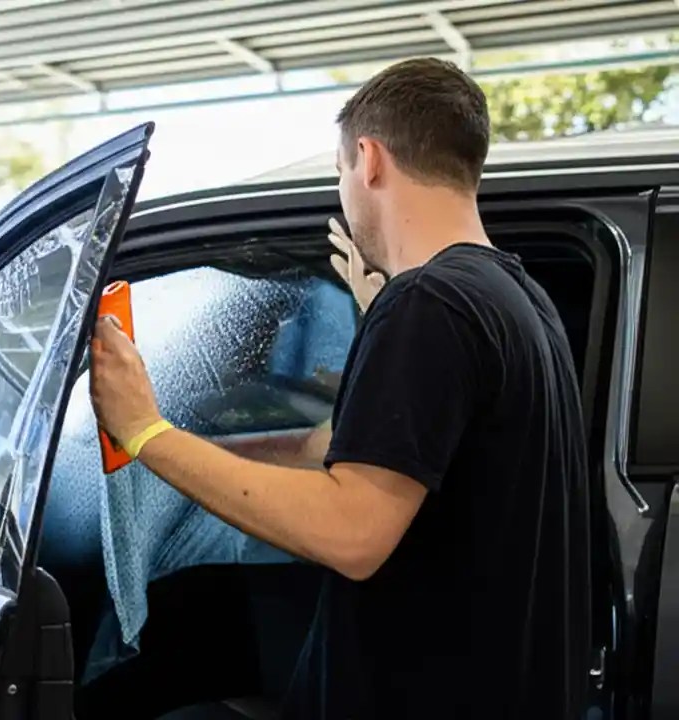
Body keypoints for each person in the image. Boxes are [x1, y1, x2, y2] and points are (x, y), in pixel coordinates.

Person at [88, 57, 591, 718]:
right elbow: (362, 456)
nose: (343, 193)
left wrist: (146, 432)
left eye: (339, 172)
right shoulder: (520, 298)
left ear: (370, 158)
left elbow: (352, 532)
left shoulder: (431, 305)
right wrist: (374, 318)